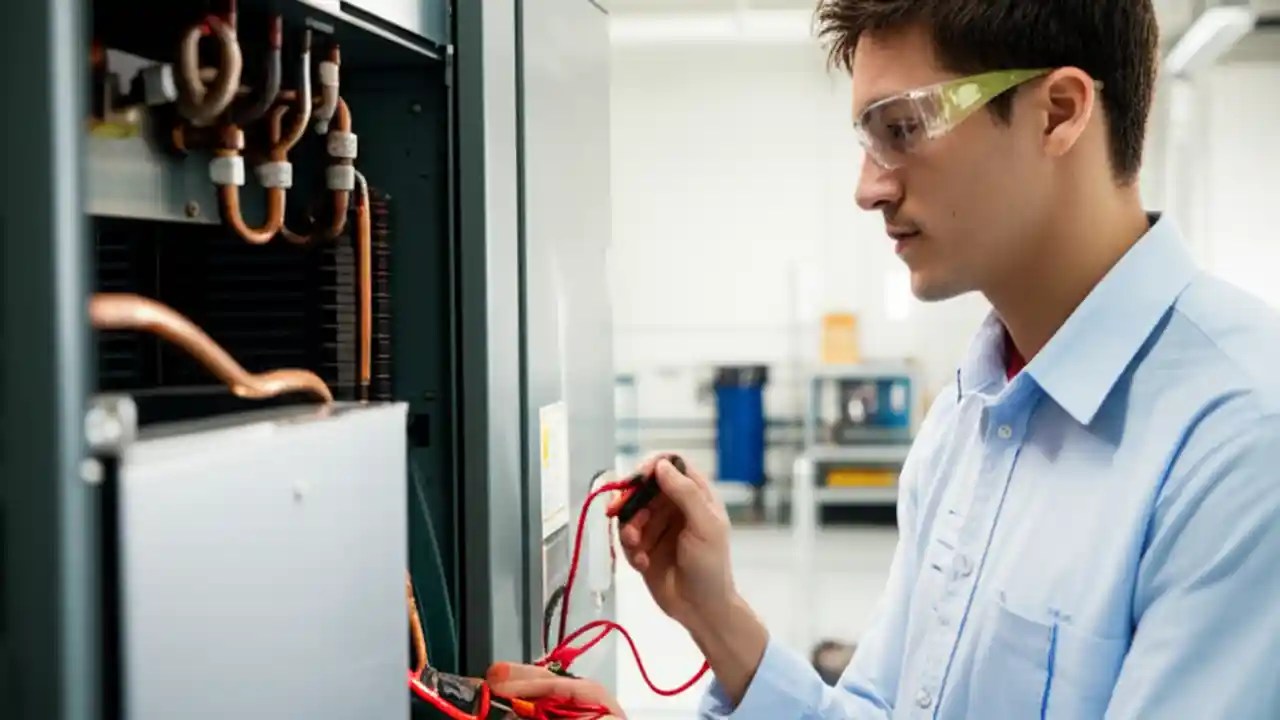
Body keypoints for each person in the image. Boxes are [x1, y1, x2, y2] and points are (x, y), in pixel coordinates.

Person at [490, 0, 1280, 717]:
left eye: (901, 128)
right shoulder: (970, 417)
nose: (869, 188)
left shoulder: (1241, 441)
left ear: (1058, 113)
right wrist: (717, 616)